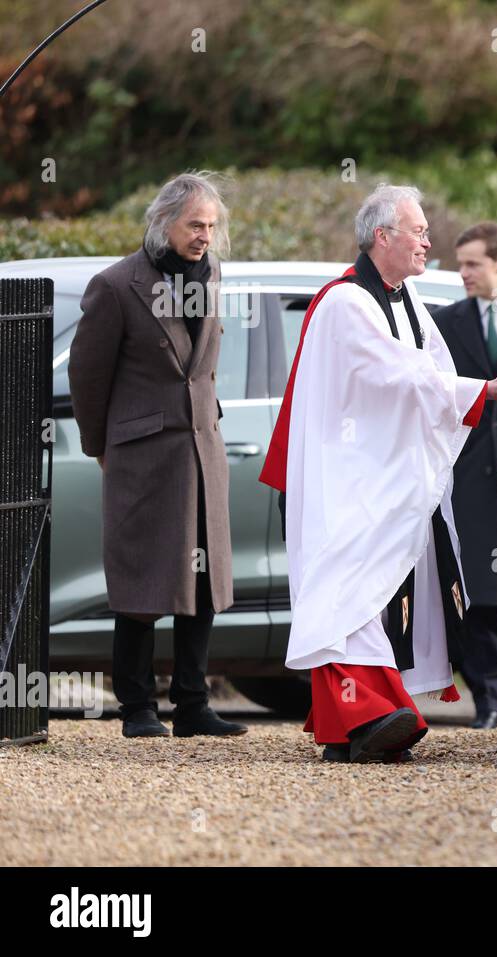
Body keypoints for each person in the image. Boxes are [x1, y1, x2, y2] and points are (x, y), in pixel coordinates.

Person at [258, 185, 497, 763]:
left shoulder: (406, 300)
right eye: (418, 231)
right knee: (348, 594)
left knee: (370, 592)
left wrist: (475, 390)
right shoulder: (345, 302)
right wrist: (484, 391)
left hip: (379, 473)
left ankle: (355, 726)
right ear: (382, 236)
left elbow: (431, 369)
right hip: (343, 477)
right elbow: (397, 375)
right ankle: (365, 718)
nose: (428, 242)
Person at [68, 171, 245, 740]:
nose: (205, 236)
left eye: (212, 226)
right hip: (143, 455)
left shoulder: (211, 272)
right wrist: (101, 448)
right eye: (196, 224)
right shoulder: (116, 285)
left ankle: (193, 706)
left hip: (203, 447)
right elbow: (88, 379)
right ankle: (137, 709)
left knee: (203, 583)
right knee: (143, 582)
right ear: (163, 221)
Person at [432, 222, 497, 730]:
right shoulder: (447, 321)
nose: (462, 274)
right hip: (469, 478)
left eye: (471, 263)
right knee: (480, 595)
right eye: (460, 263)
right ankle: (491, 703)